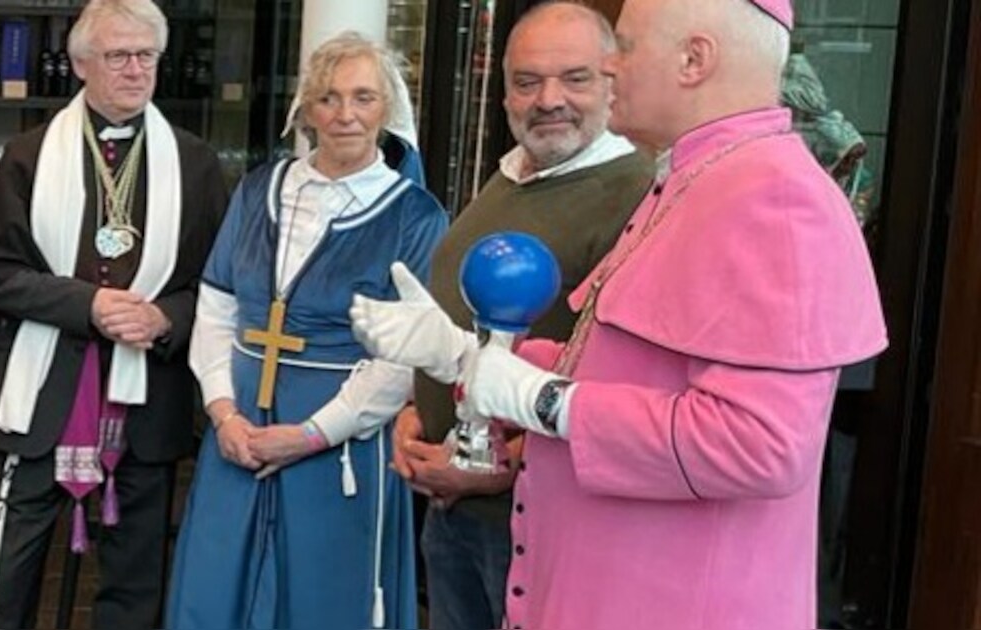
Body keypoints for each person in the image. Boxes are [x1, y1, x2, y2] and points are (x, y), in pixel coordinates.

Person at [351, 0, 889, 628]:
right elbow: (622, 368)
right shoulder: (695, 177)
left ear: (695, 59)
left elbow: (760, 445)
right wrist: (460, 354)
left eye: (626, 47)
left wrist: (546, 401)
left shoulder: (774, 195)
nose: (609, 64)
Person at [165, 32, 448, 630]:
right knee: (217, 588)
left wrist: (313, 435)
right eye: (329, 97)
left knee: (326, 600)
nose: (345, 114)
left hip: (338, 444)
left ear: (387, 109)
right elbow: (216, 308)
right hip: (239, 434)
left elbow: (404, 354)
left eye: (363, 98)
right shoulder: (257, 190)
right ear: (307, 109)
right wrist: (224, 415)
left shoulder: (414, 214)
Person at [0, 0, 227, 626]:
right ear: (82, 64)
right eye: (118, 56)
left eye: (147, 56)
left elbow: (220, 290)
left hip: (148, 397)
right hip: (48, 387)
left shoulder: (195, 162)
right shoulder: (29, 155)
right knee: (15, 563)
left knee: (137, 573)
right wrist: (88, 305)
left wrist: (165, 318)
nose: (136, 70)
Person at [388, 3, 652, 628]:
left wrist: (501, 468)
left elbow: (625, 383)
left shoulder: (636, 195)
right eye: (527, 81)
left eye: (575, 78)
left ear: (614, 82)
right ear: (504, 91)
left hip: (536, 526)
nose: (548, 99)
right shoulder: (511, 176)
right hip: (455, 514)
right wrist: (415, 410)